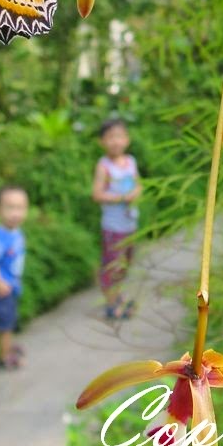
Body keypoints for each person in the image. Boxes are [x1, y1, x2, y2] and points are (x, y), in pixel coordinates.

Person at [92, 118, 141, 320]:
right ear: (102, 142)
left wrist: (135, 193)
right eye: (110, 137)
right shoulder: (104, 166)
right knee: (112, 265)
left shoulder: (130, 162)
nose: (115, 141)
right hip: (113, 226)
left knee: (125, 263)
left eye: (119, 136)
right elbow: (96, 194)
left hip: (130, 223)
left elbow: (138, 184)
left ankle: (117, 296)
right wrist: (121, 198)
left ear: (127, 139)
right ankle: (111, 305)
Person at [0, 184, 28, 369]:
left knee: (8, 320)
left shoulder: (16, 232)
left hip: (10, 285)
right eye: (10, 208)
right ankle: (4, 357)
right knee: (5, 324)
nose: (15, 213)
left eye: (20, 208)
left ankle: (6, 347)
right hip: (1, 288)